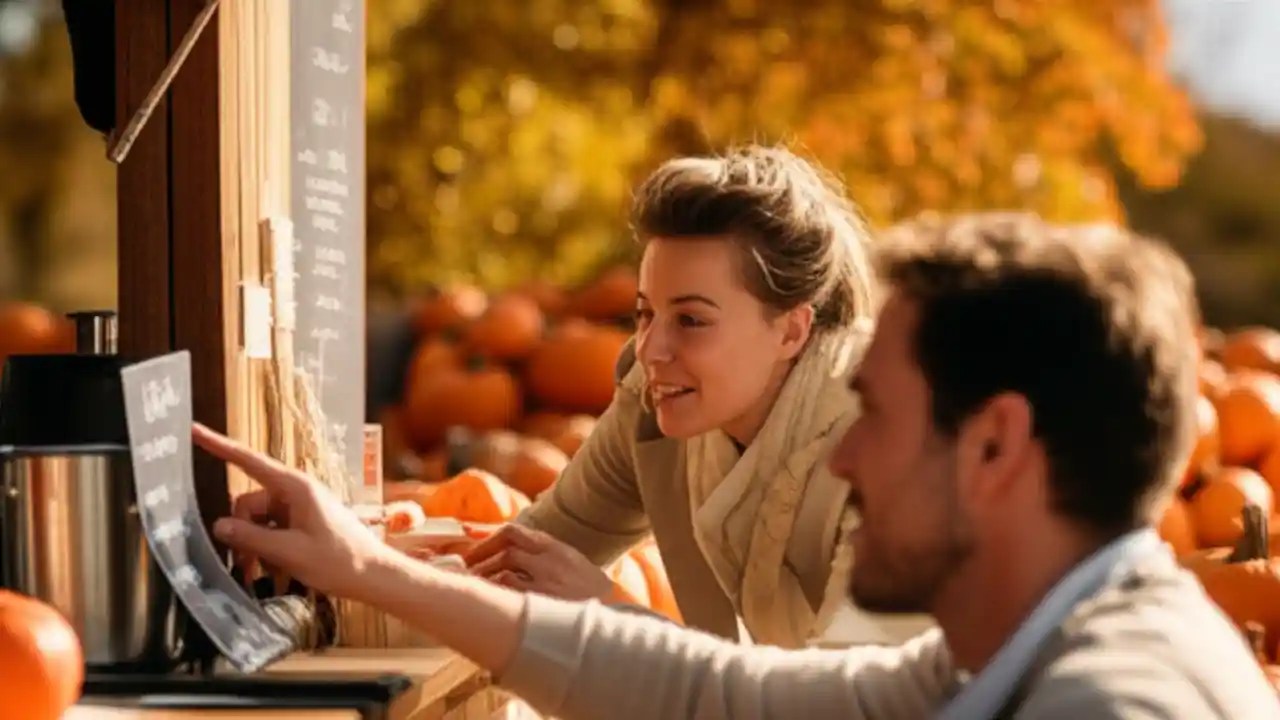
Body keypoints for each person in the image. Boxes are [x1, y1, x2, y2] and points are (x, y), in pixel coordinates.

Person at [200, 212, 1280, 719]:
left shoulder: (1107, 705)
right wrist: (363, 565)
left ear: (993, 447)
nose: (846, 454)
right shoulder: (992, 656)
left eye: (881, 418)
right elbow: (724, 696)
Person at [457, 144, 929, 648]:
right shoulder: (654, 405)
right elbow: (540, 551)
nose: (651, 349)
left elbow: (850, 700)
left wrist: (611, 616)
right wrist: (405, 576)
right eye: (643, 314)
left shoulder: (895, 448)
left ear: (792, 331)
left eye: (691, 321)